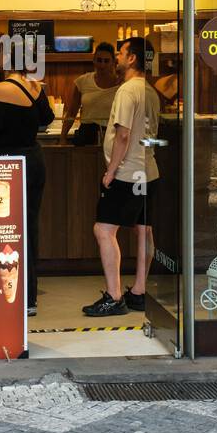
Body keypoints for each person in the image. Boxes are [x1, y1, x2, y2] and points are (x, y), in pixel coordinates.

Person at [85, 36, 161, 317]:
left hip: (127, 172)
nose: (116, 56)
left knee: (103, 229)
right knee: (144, 230)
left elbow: (124, 134)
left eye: (121, 52)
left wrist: (111, 170)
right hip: (148, 170)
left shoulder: (127, 90)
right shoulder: (150, 90)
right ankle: (139, 292)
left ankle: (115, 296)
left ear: (132, 58)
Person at [0, 65, 54, 315]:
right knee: (29, 229)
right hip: (33, 161)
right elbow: (47, 119)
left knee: (0, 228)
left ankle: (3, 292)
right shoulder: (36, 88)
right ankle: (29, 298)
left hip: (5, 165)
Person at [59, 42, 120, 145]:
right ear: (94, 61)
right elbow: (72, 112)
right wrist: (63, 137)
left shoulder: (121, 84)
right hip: (87, 132)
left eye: (106, 61)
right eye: (99, 60)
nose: (102, 65)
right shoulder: (83, 81)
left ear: (113, 62)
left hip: (112, 133)